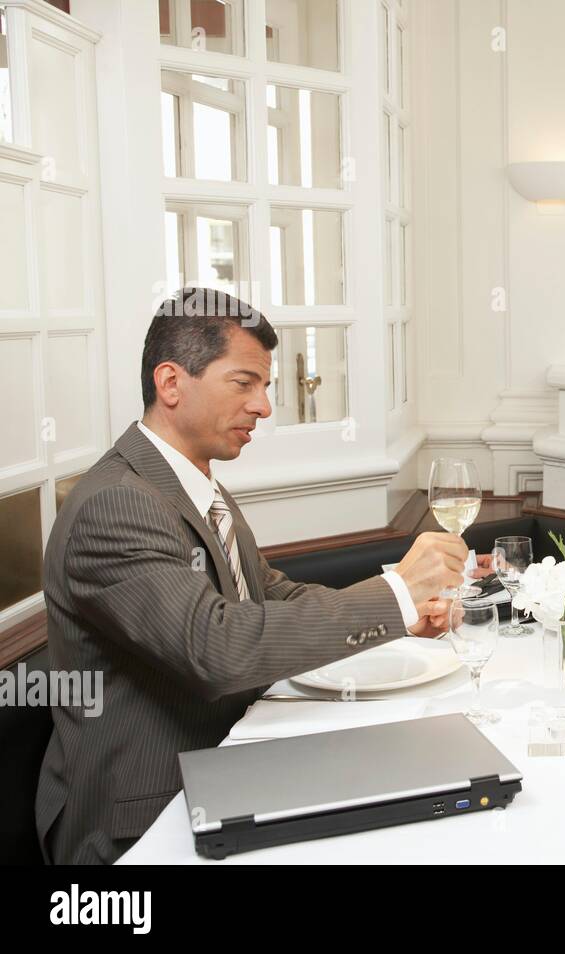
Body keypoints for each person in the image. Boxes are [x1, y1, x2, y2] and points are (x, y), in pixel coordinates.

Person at [36, 288, 473, 864]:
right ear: (171, 384)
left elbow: (270, 595)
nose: (265, 407)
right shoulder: (117, 505)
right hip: (140, 820)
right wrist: (396, 594)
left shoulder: (191, 484)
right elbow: (217, 649)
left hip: (226, 772)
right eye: (244, 384)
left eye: (264, 387)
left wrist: (403, 614)